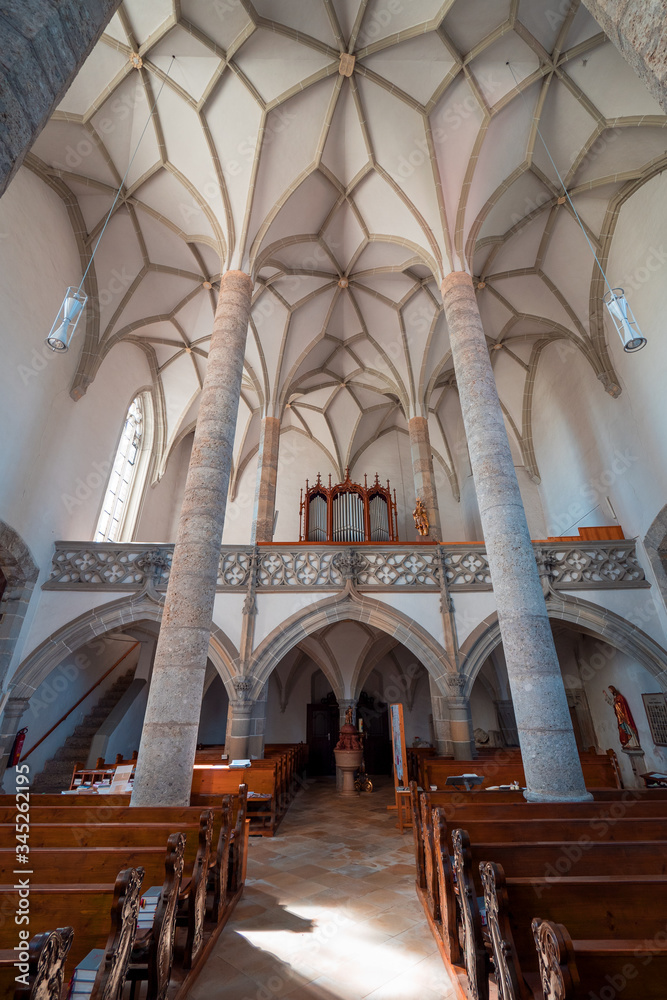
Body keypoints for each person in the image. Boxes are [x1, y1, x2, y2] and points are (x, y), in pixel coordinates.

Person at [608, 686, 641, 750]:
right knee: (623, 728)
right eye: (609, 690)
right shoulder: (615, 698)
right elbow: (613, 704)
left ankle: (633, 742)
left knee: (627, 727)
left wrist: (616, 704)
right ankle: (628, 741)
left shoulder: (619, 697)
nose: (610, 691)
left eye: (610, 690)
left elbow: (621, 705)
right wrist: (606, 696)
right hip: (619, 716)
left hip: (623, 716)